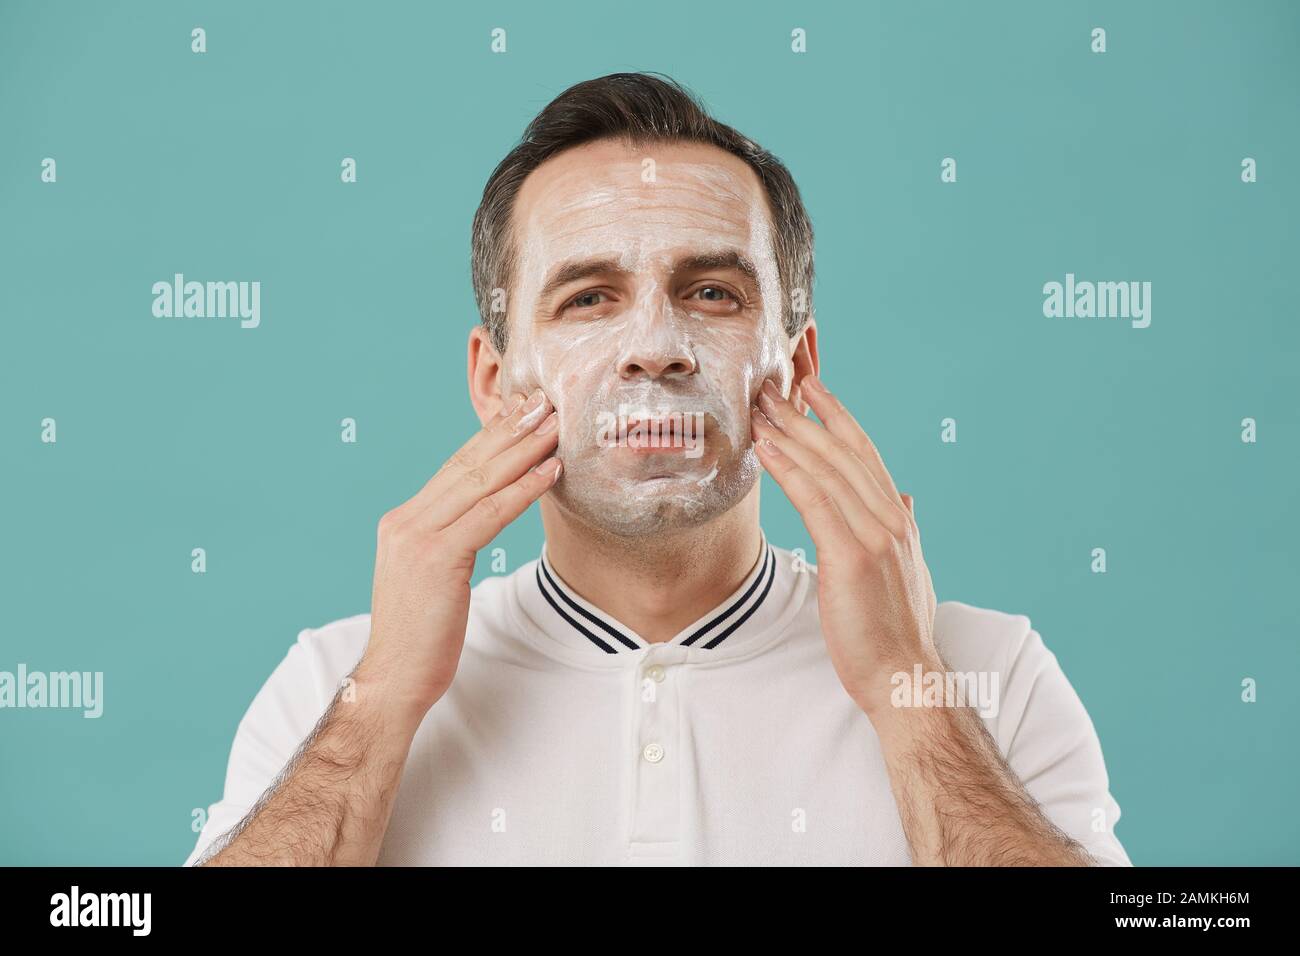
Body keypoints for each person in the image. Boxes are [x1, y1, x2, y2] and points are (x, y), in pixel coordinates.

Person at [185, 72, 1130, 866]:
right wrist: (385, 697)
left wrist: (907, 690)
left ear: (794, 368)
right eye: (589, 297)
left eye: (710, 292)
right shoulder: (331, 685)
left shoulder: (987, 672)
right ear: (493, 379)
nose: (656, 348)